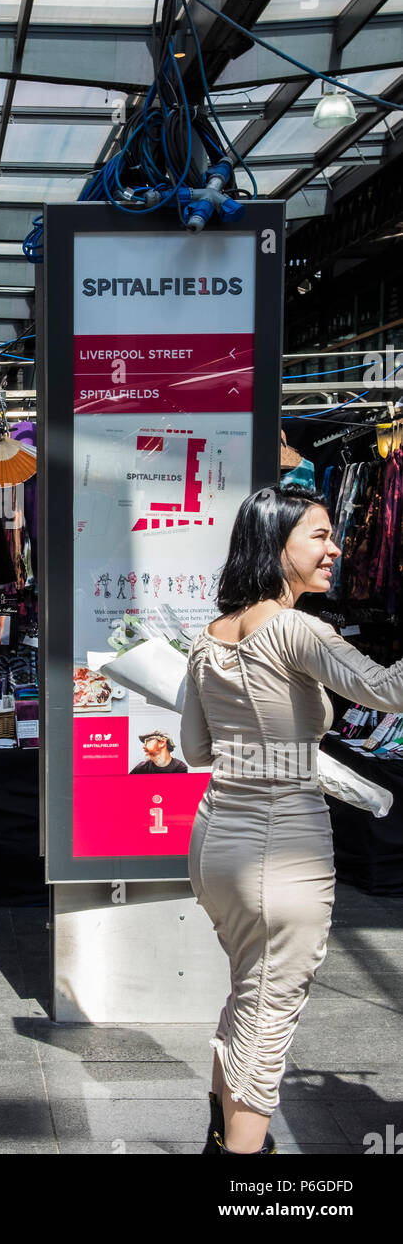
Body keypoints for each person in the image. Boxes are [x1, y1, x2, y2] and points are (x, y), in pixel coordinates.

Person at [180, 484, 403, 1157]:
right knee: (270, 1011)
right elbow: (388, 692)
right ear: (277, 548)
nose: (335, 547)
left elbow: (194, 750)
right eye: (319, 534)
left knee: (249, 992)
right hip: (283, 848)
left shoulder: (208, 635)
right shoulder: (295, 628)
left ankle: (221, 1140)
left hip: (216, 837)